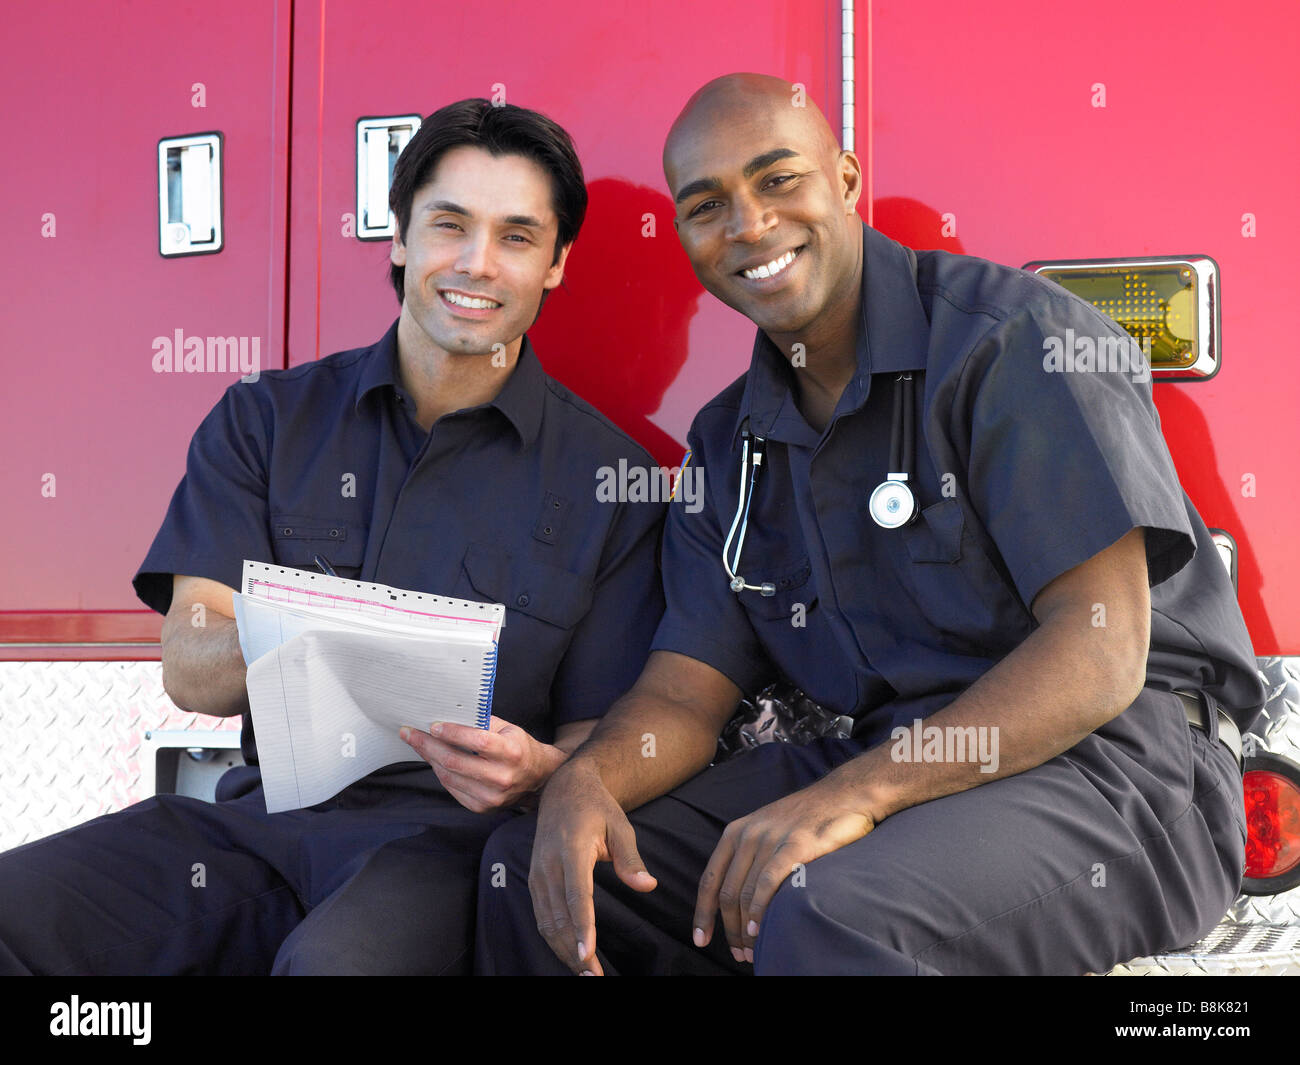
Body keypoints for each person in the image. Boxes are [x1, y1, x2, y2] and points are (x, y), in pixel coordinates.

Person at [473, 74, 1265, 976]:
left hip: (1119, 768)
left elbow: (1099, 652)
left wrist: (859, 792)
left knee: (820, 916)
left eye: (779, 180)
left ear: (845, 182)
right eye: (706, 206)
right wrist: (584, 781)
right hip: (905, 768)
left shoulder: (1012, 343)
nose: (749, 226)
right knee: (555, 875)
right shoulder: (729, 441)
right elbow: (683, 698)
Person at [0, 98, 666, 975]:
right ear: (397, 237)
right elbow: (191, 662)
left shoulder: (617, 482)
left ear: (554, 264)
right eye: (449, 225)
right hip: (251, 827)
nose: (476, 263)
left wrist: (540, 767)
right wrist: (323, 652)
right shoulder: (263, 420)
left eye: (515, 236)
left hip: (447, 851)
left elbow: (602, 738)